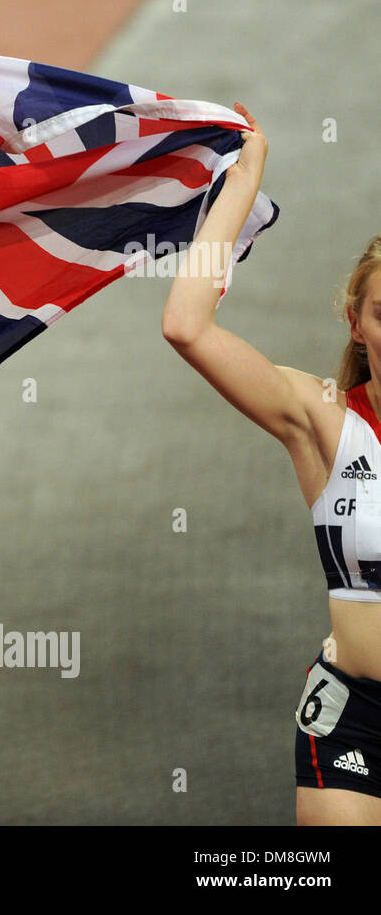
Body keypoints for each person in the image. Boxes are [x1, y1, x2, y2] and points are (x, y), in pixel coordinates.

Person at [161, 106, 381, 824]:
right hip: (355, 720)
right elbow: (186, 326)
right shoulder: (324, 420)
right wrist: (243, 183)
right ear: (357, 323)